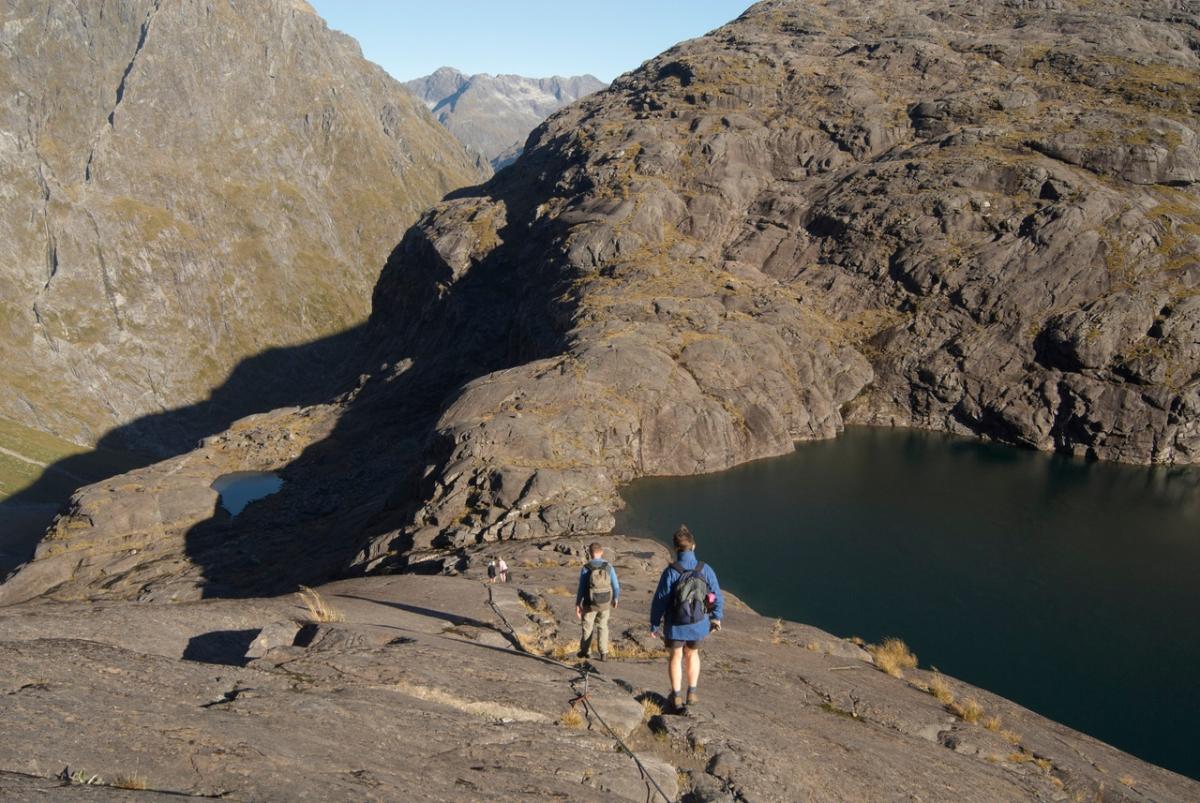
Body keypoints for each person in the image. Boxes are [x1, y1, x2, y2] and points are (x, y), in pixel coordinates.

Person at [650, 524, 723, 713]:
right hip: (698, 623)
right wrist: (716, 617)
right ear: (694, 546)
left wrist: (654, 623)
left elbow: (660, 599)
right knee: (693, 654)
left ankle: (676, 696)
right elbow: (715, 594)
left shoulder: (671, 571)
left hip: (676, 624)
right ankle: (692, 692)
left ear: (675, 549)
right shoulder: (704, 569)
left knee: (676, 656)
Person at [575, 542, 620, 662]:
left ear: (590, 553)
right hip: (605, 602)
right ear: (601, 552)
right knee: (603, 626)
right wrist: (615, 598)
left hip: (589, 603)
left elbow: (581, 588)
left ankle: (586, 651)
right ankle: (604, 653)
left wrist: (578, 603)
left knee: (587, 627)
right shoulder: (609, 566)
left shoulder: (586, 567)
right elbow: (615, 586)